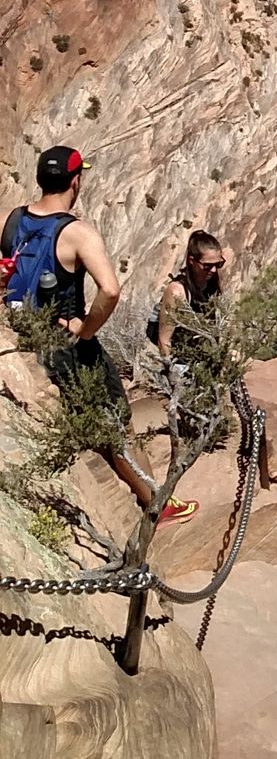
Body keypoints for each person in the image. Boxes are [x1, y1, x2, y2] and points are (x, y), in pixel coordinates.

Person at [1, 146, 195, 524]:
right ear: (76, 181)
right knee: (116, 423)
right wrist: (85, 330)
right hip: (67, 348)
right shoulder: (77, 232)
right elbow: (110, 289)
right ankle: (156, 503)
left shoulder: (12, 220)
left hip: (22, 338)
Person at [155, 229, 229, 365]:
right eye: (207, 266)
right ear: (191, 261)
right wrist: (171, 372)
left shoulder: (212, 286)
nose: (213, 270)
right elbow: (164, 339)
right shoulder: (177, 292)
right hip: (178, 359)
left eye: (218, 264)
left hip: (200, 358)